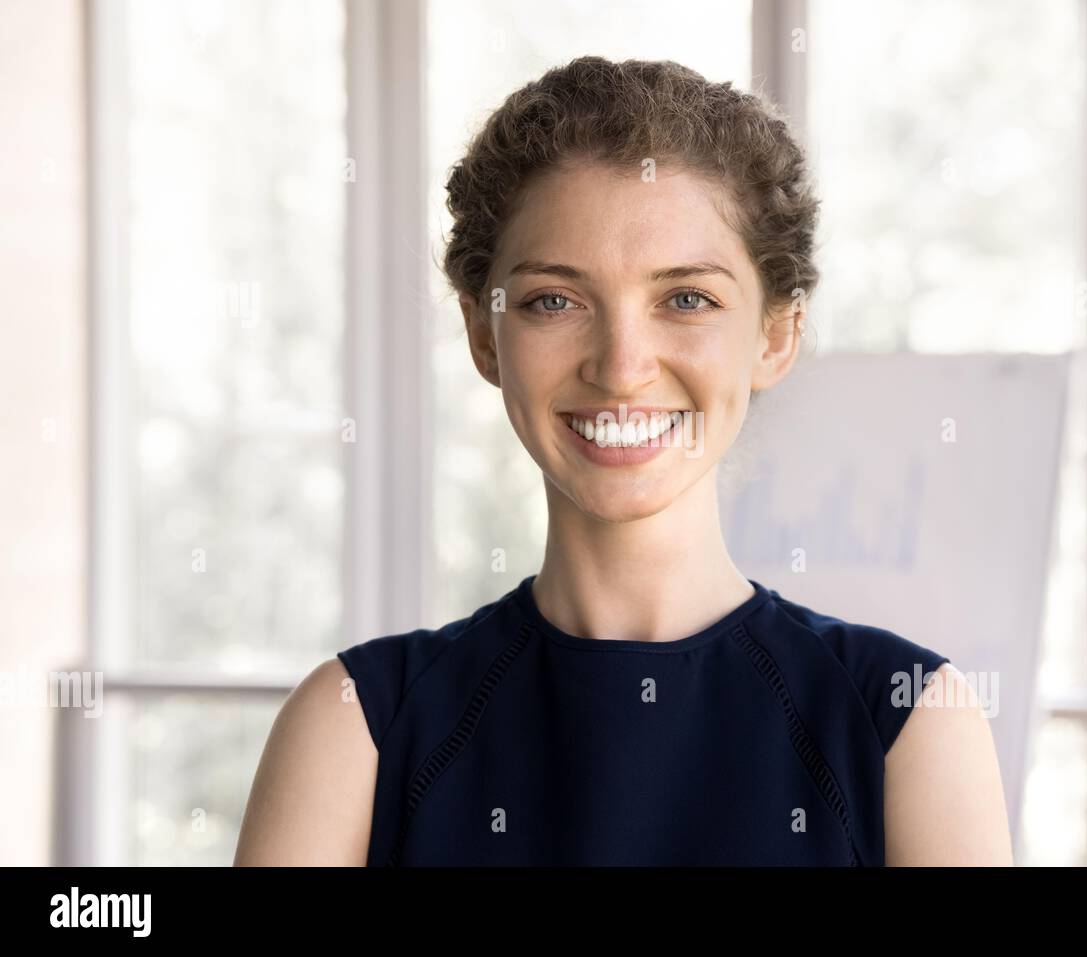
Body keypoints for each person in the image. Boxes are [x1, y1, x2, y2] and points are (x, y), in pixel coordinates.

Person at [234, 55, 1012, 867]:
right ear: (481, 334)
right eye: (553, 301)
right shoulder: (356, 725)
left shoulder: (910, 721)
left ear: (776, 334)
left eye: (686, 299)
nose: (621, 364)